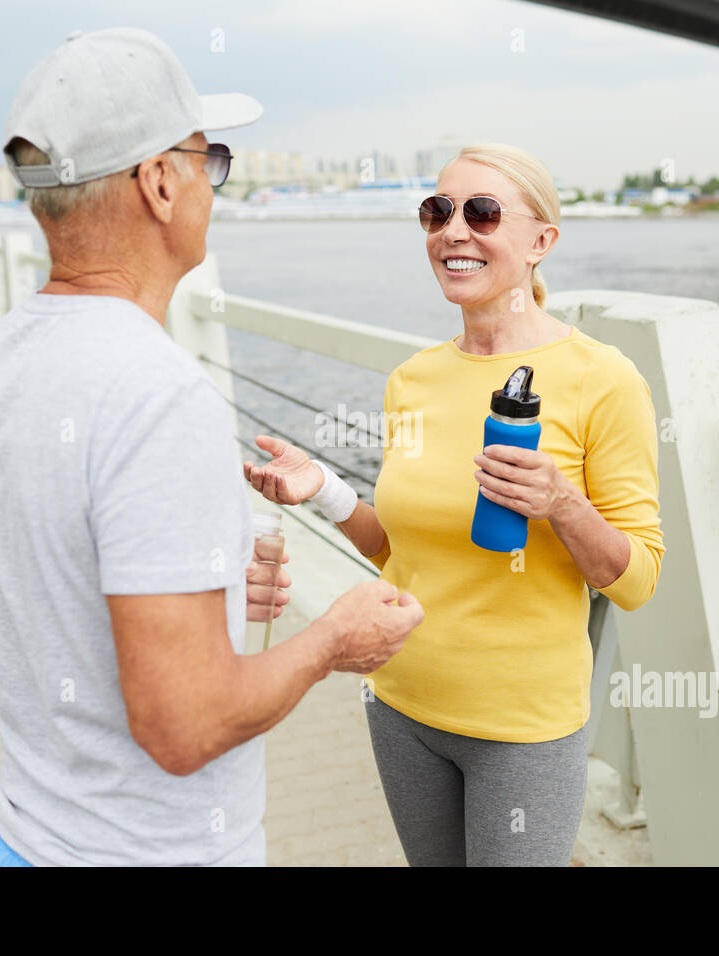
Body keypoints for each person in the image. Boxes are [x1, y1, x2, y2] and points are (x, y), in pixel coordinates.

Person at [0, 27, 423, 867]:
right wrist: (336, 638)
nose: (214, 184)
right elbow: (184, 726)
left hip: (23, 838)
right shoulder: (160, 396)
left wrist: (196, 602)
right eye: (208, 157)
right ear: (159, 182)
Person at [244, 143, 664, 866]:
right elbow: (396, 548)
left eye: (482, 212)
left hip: (523, 727)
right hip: (402, 705)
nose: (453, 231)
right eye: (436, 213)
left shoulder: (605, 380)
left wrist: (562, 501)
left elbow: (635, 580)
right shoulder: (413, 379)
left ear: (541, 242)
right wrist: (327, 490)